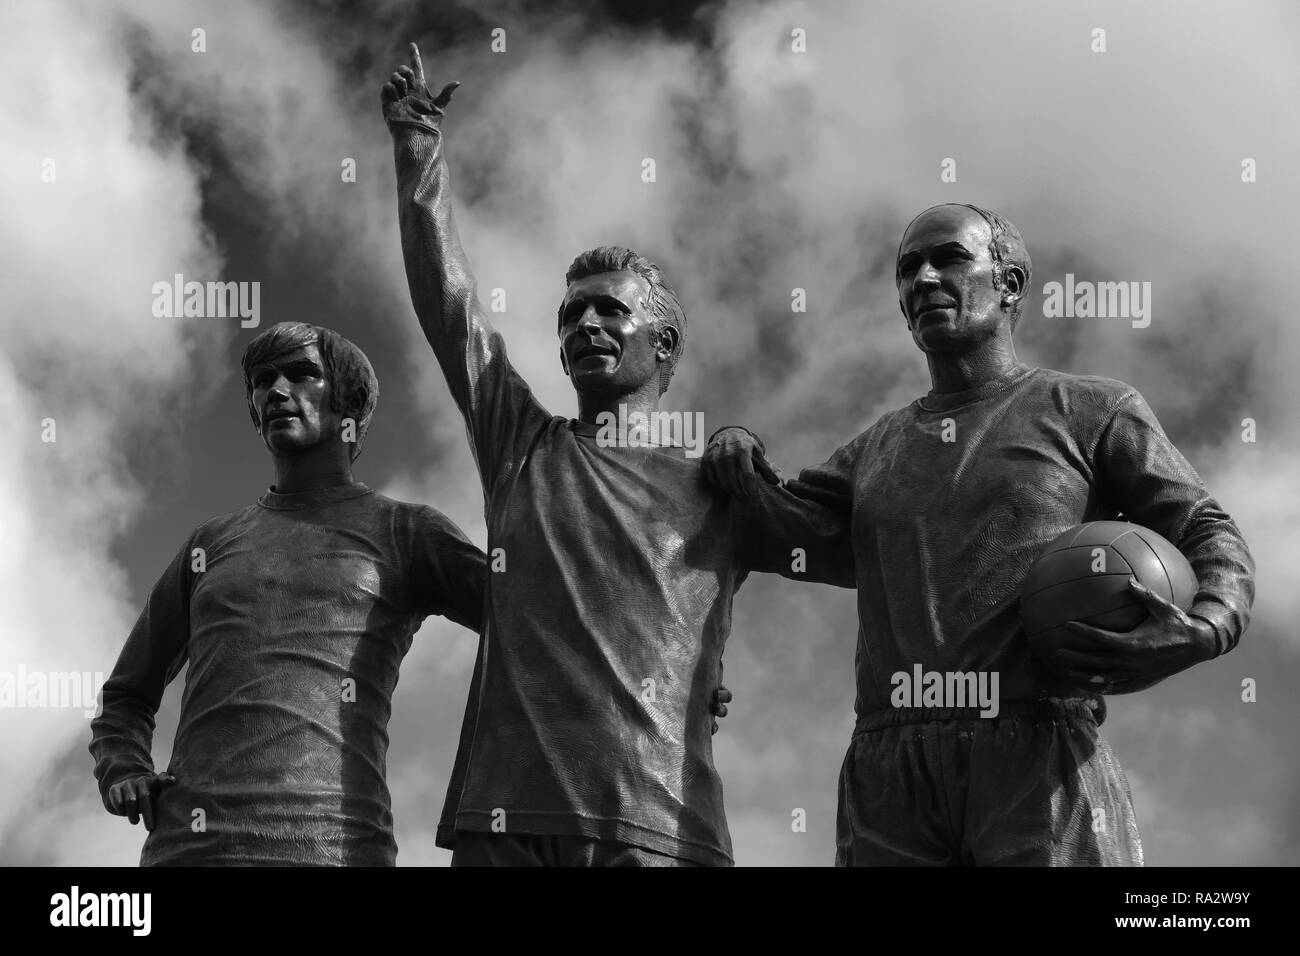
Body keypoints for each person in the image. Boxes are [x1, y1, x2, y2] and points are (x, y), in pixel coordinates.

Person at [382, 43, 853, 867]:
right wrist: (418, 149)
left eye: (607, 311)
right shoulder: (520, 445)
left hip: (659, 826)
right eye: (570, 319)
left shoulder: (718, 485)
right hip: (506, 820)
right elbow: (448, 307)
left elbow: (870, 545)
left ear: (664, 343)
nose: (584, 327)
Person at [704, 203, 1255, 866]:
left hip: (1036, 751)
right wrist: (733, 451)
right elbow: (762, 525)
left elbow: (1204, 527)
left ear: (1010, 284)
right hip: (889, 771)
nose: (924, 279)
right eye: (909, 270)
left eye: (948, 259)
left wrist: (1211, 623)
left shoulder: (1089, 408)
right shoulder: (873, 452)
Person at [90, 322, 487, 865]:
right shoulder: (209, 543)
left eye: (302, 375)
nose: (276, 391)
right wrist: (123, 766)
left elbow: (534, 624)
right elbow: (127, 696)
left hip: (337, 847)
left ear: (345, 400)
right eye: (262, 381)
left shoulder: (408, 533)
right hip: (189, 850)